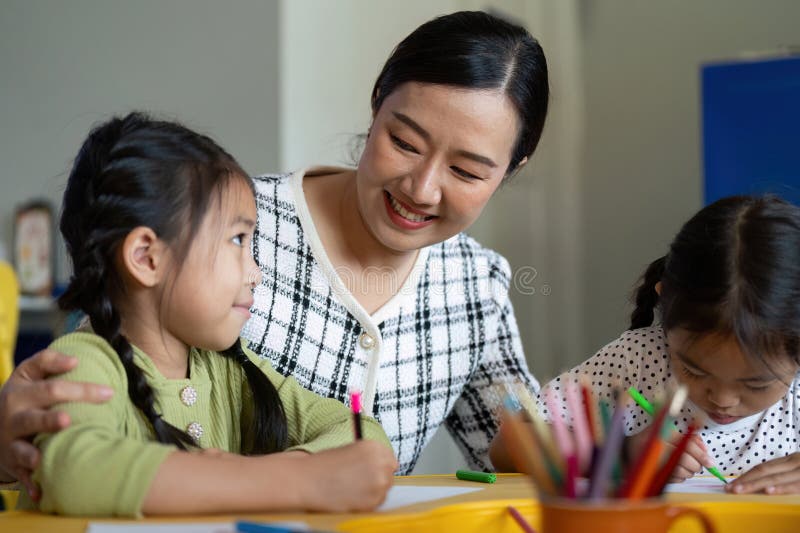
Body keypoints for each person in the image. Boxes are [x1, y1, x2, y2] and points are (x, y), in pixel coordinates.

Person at [0, 8, 548, 488]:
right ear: (377, 99)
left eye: (467, 171)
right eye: (403, 142)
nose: (421, 189)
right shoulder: (227, 226)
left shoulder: (478, 284)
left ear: (510, 170)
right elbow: (100, 373)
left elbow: (513, 437)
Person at [15, 113, 397, 517]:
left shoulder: (227, 368)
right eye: (237, 239)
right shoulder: (84, 363)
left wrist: (293, 469)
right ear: (147, 258)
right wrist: (298, 482)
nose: (256, 273)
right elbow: (78, 475)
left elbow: (362, 433)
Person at [532, 195, 800, 495]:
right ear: (665, 302)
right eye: (694, 370)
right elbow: (513, 442)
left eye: (756, 384)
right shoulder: (639, 359)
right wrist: (620, 453)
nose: (723, 400)